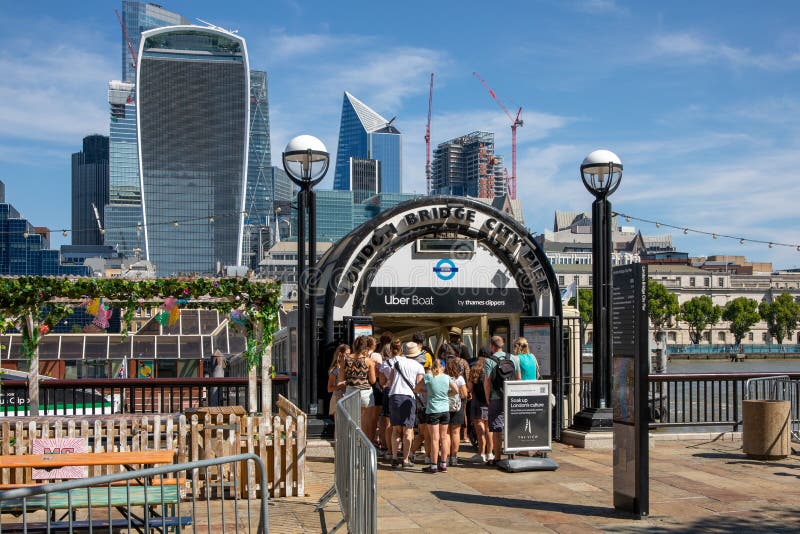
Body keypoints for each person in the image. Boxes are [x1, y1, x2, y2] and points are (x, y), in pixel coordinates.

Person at [483, 335, 521, 466]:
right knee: (512, 425)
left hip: (496, 397)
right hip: (511, 396)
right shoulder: (513, 358)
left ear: (491, 346)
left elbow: (487, 382)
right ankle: (512, 455)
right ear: (502, 345)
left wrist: (487, 397)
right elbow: (519, 378)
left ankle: (497, 457)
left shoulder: (489, 361)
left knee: (497, 428)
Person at [387, 341, 425, 468]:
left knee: (396, 430)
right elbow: (419, 386)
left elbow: (390, 381)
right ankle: (405, 460)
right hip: (408, 398)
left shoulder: (397, 363)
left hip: (395, 396)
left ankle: (394, 458)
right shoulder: (418, 366)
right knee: (408, 430)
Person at [415, 357, 457, 473]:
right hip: (445, 410)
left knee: (434, 438)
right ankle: (443, 464)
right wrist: (447, 394)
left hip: (433, 410)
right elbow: (456, 390)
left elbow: (416, 389)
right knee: (444, 437)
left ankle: (433, 465)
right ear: (442, 367)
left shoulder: (428, 377)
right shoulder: (447, 377)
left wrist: (426, 392)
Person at [341, 335, 377, 436]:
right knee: (366, 421)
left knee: (352, 420)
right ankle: (364, 443)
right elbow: (373, 380)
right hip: (365, 393)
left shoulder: (345, 359)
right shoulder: (368, 361)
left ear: (354, 345)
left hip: (350, 392)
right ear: (366, 347)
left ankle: (353, 442)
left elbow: (341, 379)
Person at [378, 338, 402, 460]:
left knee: (388, 423)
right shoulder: (406, 362)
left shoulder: (385, 364)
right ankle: (403, 450)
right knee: (404, 424)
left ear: (390, 350)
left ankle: (389, 450)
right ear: (401, 349)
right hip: (403, 392)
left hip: (389, 392)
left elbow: (382, 382)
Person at [467, 354, 491, 463]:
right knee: (488, 429)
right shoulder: (490, 370)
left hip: (477, 402)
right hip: (488, 402)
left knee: (480, 430)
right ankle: (490, 453)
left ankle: (481, 454)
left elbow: (469, 388)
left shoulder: (474, 370)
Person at [445, 358, 468, 466]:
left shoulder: (443, 378)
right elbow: (464, 394)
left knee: (446, 433)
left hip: (444, 407)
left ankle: (446, 457)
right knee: (455, 432)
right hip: (457, 407)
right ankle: (454, 458)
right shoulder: (460, 378)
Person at [365, 336, 384, 448]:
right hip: (375, 385)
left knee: (366, 417)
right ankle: (372, 440)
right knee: (375, 417)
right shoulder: (376, 356)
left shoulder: (363, 356)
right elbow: (381, 371)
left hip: (365, 385)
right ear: (373, 345)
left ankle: (366, 440)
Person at [327, 344, 349, 419]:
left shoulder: (348, 368)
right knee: (339, 424)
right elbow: (329, 389)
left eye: (350, 354)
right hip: (338, 398)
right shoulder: (335, 370)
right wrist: (342, 385)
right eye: (347, 354)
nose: (349, 356)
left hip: (347, 398)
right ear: (340, 354)